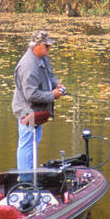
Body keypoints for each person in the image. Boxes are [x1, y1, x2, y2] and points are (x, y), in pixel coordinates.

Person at [11, 29, 66, 186]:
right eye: (47, 46)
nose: (49, 49)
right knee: (27, 143)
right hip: (27, 110)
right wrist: (52, 95)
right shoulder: (27, 66)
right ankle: (26, 180)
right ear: (37, 45)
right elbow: (31, 95)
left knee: (35, 140)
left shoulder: (43, 58)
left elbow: (50, 75)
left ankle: (30, 175)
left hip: (38, 110)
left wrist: (57, 84)